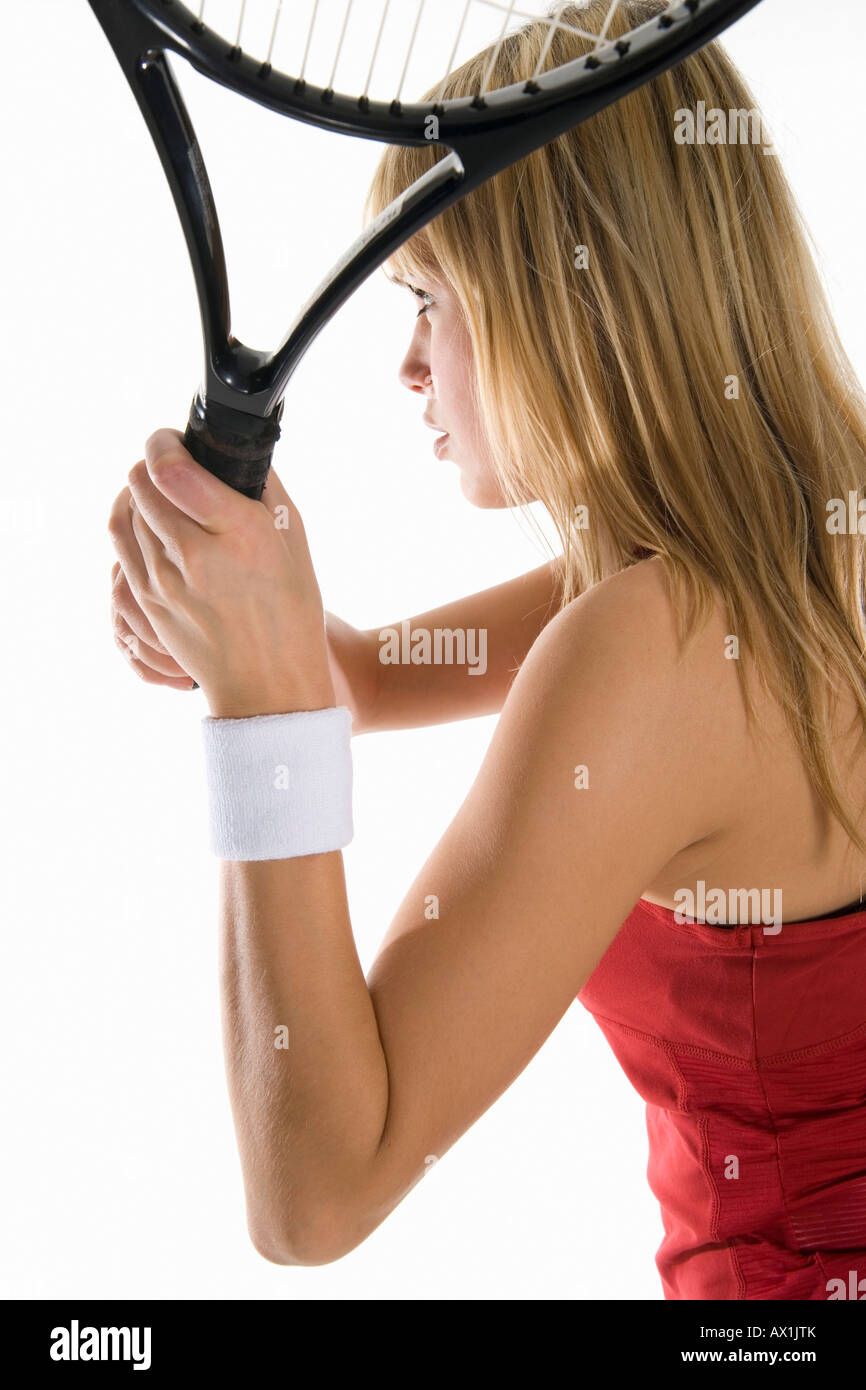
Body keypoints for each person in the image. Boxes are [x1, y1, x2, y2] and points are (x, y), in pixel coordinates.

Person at [108, 2, 866, 1299]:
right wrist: (280, 645)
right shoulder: (799, 530)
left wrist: (263, 710)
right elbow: (375, 672)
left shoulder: (649, 649)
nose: (407, 369)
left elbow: (319, 1192)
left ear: (576, 308)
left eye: (430, 301)